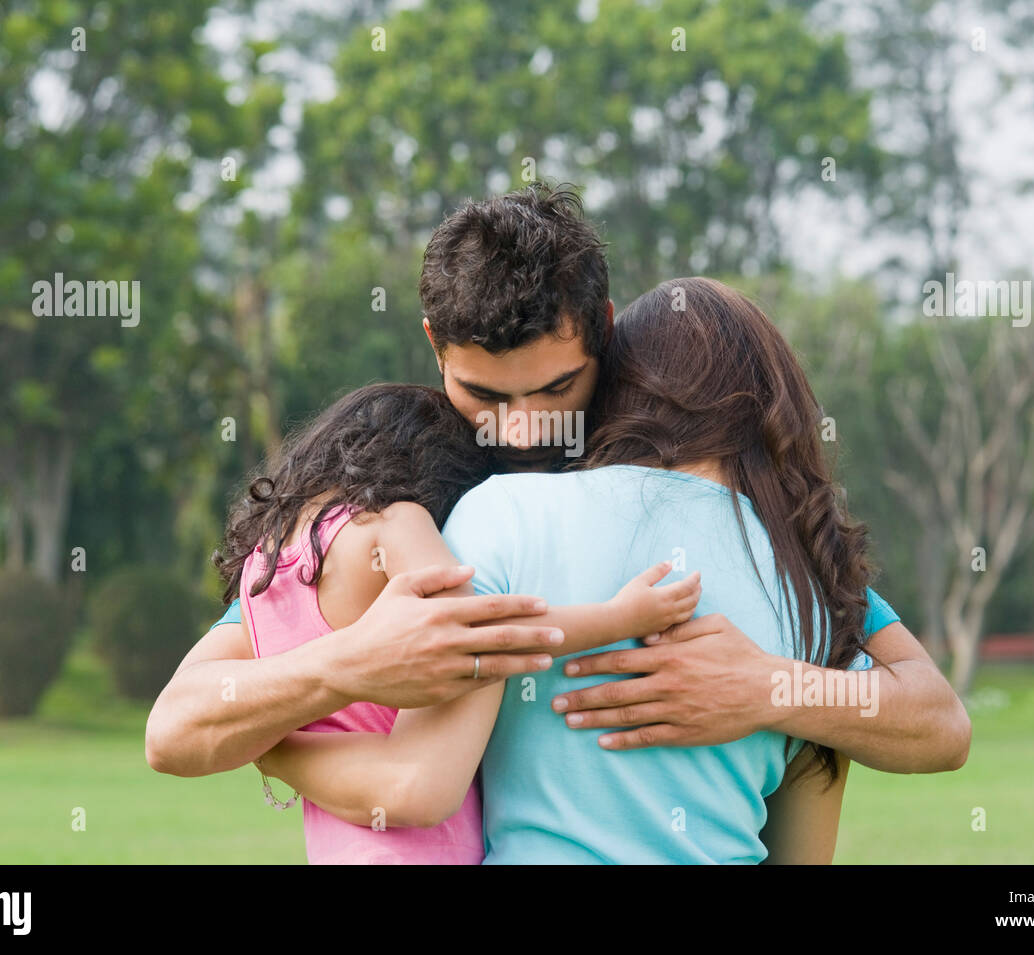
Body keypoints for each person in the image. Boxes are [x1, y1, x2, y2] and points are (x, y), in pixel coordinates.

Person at [145, 184, 969, 791]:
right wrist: (350, 664)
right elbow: (178, 726)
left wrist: (764, 688)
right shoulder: (410, 483)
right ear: (435, 345)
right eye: (486, 395)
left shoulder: (670, 476)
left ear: (605, 330)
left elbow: (934, 718)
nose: (521, 431)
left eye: (554, 389)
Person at [261, 277, 901, 863]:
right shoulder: (814, 583)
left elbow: (418, 777)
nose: (522, 428)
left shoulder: (499, 515)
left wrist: (272, 744)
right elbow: (923, 732)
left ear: (617, 385)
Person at [213, 382, 700, 863]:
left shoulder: (260, 571)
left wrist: (269, 752)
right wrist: (618, 618)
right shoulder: (394, 521)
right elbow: (478, 635)